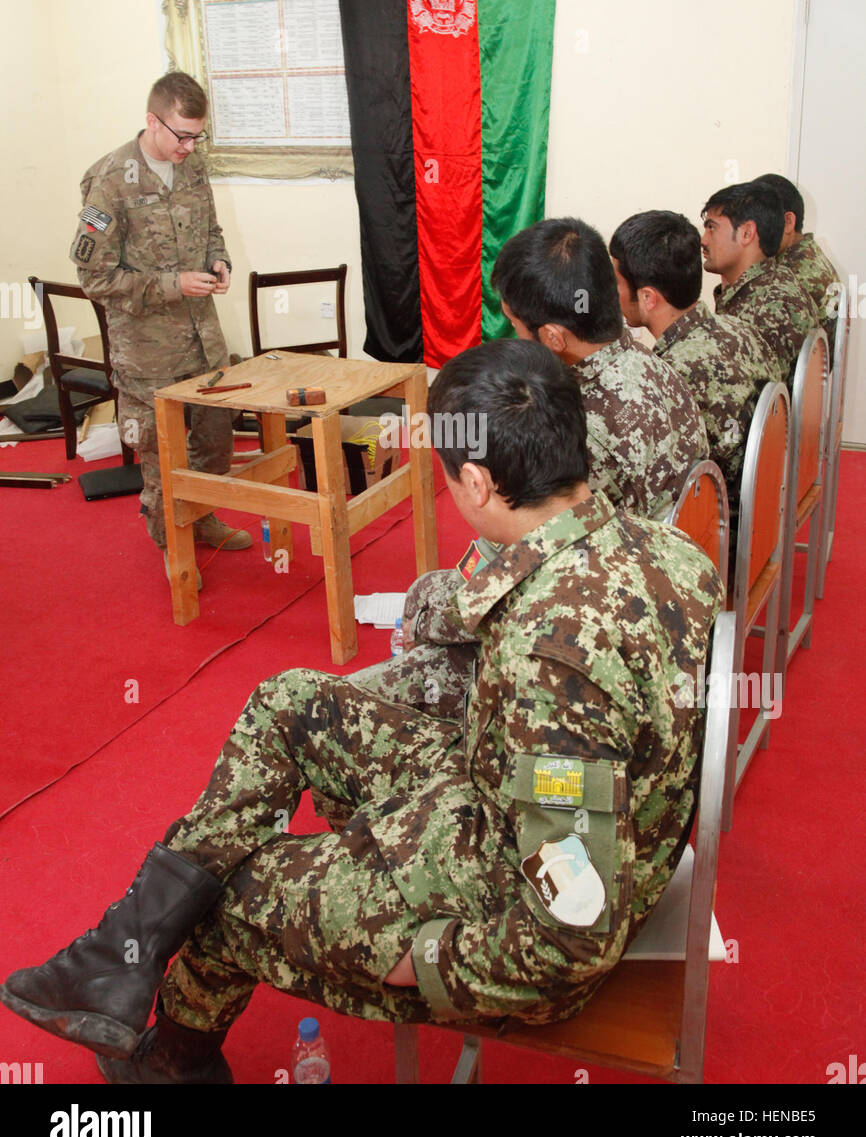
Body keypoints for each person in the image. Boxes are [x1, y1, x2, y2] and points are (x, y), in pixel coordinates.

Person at [0, 340, 722, 1085]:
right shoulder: (661, 546)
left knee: (234, 895)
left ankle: (172, 1064)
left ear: (474, 482)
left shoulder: (553, 658)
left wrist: (420, 959)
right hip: (505, 794)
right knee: (291, 703)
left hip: (519, 913)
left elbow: (569, 937)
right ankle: (122, 951)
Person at [70, 72, 251, 578]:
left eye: (198, 136)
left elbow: (211, 229)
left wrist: (220, 261)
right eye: (182, 135)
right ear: (153, 121)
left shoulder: (192, 167)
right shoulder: (108, 181)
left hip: (203, 340)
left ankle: (203, 515)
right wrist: (172, 285)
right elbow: (94, 277)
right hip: (147, 351)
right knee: (159, 452)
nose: (191, 147)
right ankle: (170, 539)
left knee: (214, 439)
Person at [490, 216, 709, 521]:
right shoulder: (659, 366)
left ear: (553, 337)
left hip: (635, 562)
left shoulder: (579, 431)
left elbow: (548, 540)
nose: (515, 336)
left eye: (515, 325)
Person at [609, 209, 773, 516]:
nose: (611, 293)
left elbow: (654, 496)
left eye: (614, 281)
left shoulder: (670, 378)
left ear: (648, 297)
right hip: (762, 514)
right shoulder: (739, 329)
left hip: (715, 531)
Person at [700, 180, 819, 388]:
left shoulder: (766, 307)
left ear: (747, 233)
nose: (703, 240)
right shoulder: (771, 283)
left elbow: (738, 399)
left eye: (712, 228)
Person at [754, 173, 840, 347]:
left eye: (757, 221)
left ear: (787, 222)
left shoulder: (793, 278)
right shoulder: (807, 257)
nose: (750, 232)